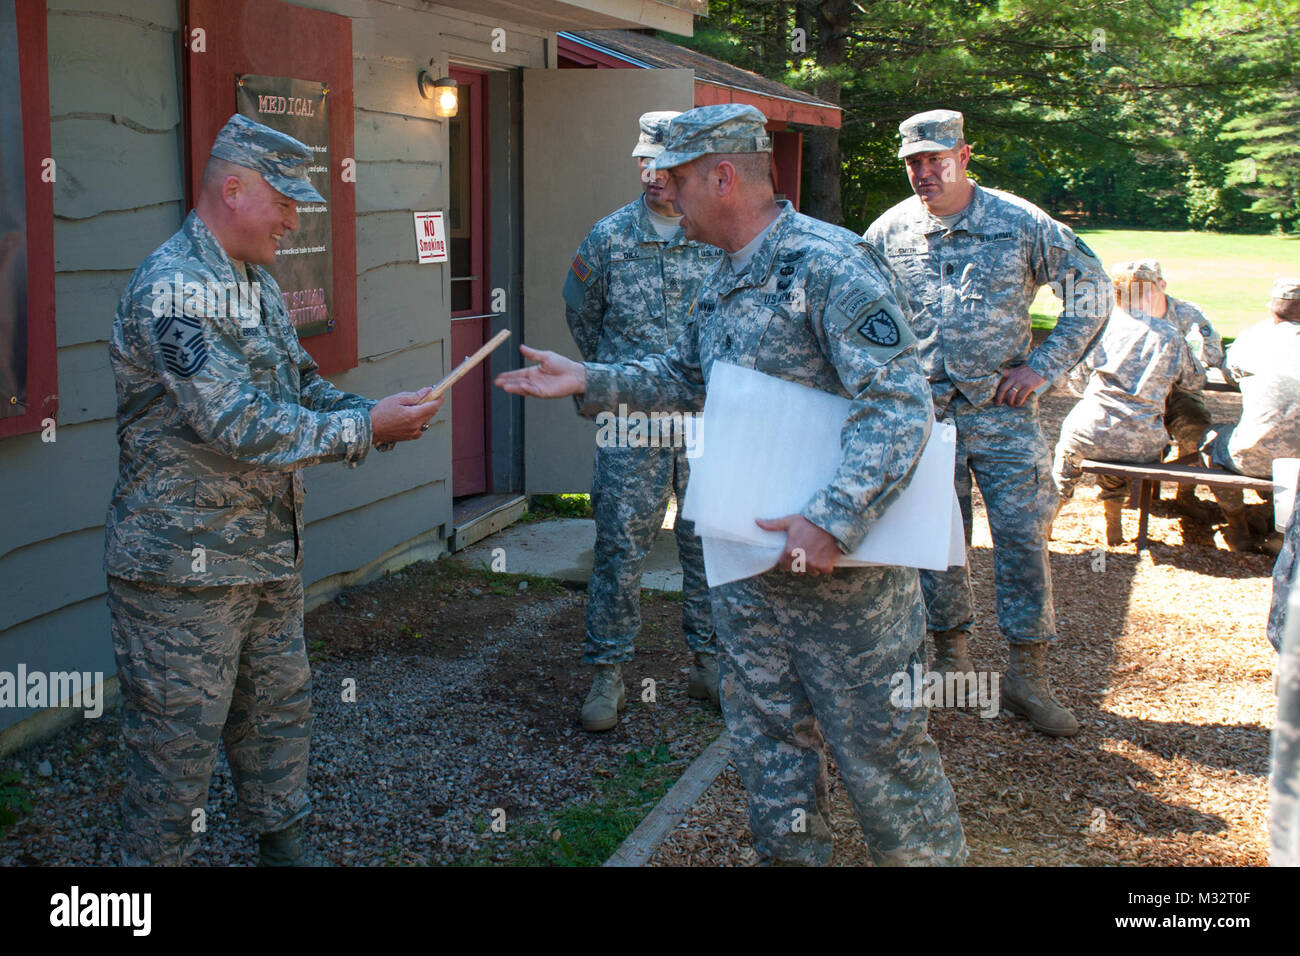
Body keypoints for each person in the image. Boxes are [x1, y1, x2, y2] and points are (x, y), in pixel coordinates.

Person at [498, 104, 966, 866]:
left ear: (722, 176)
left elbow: (899, 402)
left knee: (885, 764)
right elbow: (683, 375)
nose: (663, 190)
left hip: (846, 586)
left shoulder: (829, 264)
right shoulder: (721, 278)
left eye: (676, 177)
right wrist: (589, 376)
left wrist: (833, 518)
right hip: (752, 576)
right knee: (772, 758)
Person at [105, 114, 443, 865]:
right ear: (233, 189)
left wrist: (372, 414)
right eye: (284, 201)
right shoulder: (174, 289)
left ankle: (286, 849)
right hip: (180, 575)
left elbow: (301, 387)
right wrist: (367, 432)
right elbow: (238, 424)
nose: (295, 219)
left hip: (263, 555)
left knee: (277, 713)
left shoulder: (251, 283)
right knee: (173, 759)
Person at [865, 109, 1111, 737]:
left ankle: (1027, 672)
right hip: (929, 416)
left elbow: (1092, 290)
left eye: (935, 159)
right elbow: (860, 311)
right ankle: (951, 657)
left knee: (1023, 540)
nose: (924, 172)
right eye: (914, 162)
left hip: (1003, 414)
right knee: (939, 541)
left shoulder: (1019, 222)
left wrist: (1043, 367)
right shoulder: (888, 232)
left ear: (964, 154)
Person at [562, 111, 719, 732]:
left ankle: (709, 663)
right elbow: (582, 316)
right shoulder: (608, 237)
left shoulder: (715, 235)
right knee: (620, 545)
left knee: (706, 542)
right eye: (645, 162)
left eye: (666, 162)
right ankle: (608, 674)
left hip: (705, 418)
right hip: (630, 421)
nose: (654, 175)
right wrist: (611, 379)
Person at [1052, 264, 1206, 545]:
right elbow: (1193, 382)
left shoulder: (1100, 328)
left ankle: (1049, 519)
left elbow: (1075, 381)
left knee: (1075, 449)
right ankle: (1113, 521)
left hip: (1090, 431)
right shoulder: (1170, 335)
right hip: (1144, 441)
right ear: (1149, 293)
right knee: (1121, 443)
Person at [1111, 259, 1222, 520]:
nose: (1137, 294)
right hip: (1133, 395)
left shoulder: (1187, 313)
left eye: (1144, 287)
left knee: (1196, 430)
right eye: (1130, 288)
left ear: (1162, 284)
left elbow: (1214, 355)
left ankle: (1186, 495)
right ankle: (1117, 500)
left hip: (1179, 393)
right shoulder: (1116, 314)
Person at [1205, 278, 1300, 551]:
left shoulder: (1253, 338)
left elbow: (1229, 374)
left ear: (1273, 308)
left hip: (1254, 458)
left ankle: (1238, 527)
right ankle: (1282, 530)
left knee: (1210, 438)